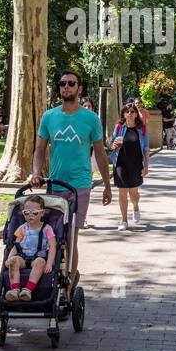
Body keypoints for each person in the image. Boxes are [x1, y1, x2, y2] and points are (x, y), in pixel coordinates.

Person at [31, 69, 112, 236]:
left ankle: (68, 262)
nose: (66, 87)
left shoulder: (91, 119)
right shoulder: (48, 116)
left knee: (70, 236)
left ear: (79, 89)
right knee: (52, 236)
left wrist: (107, 185)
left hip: (80, 185)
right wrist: (36, 173)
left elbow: (100, 153)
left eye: (71, 83)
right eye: (62, 84)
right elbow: (39, 149)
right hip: (55, 183)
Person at [4, 195, 56, 302]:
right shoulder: (22, 229)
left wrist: (50, 263)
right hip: (22, 257)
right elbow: (16, 245)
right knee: (13, 261)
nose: (30, 215)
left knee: (40, 262)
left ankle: (27, 290)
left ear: (42, 213)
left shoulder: (47, 229)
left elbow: (52, 246)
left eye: (35, 213)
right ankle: (15, 290)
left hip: (39, 257)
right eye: (26, 213)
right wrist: (9, 258)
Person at [109, 102, 150, 230]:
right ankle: (124, 220)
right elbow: (111, 145)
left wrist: (146, 166)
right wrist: (113, 145)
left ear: (136, 114)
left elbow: (146, 149)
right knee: (122, 192)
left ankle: (136, 207)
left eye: (132, 111)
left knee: (133, 193)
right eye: (127, 111)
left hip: (136, 164)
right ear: (123, 114)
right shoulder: (119, 127)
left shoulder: (141, 129)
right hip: (121, 163)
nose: (130, 114)